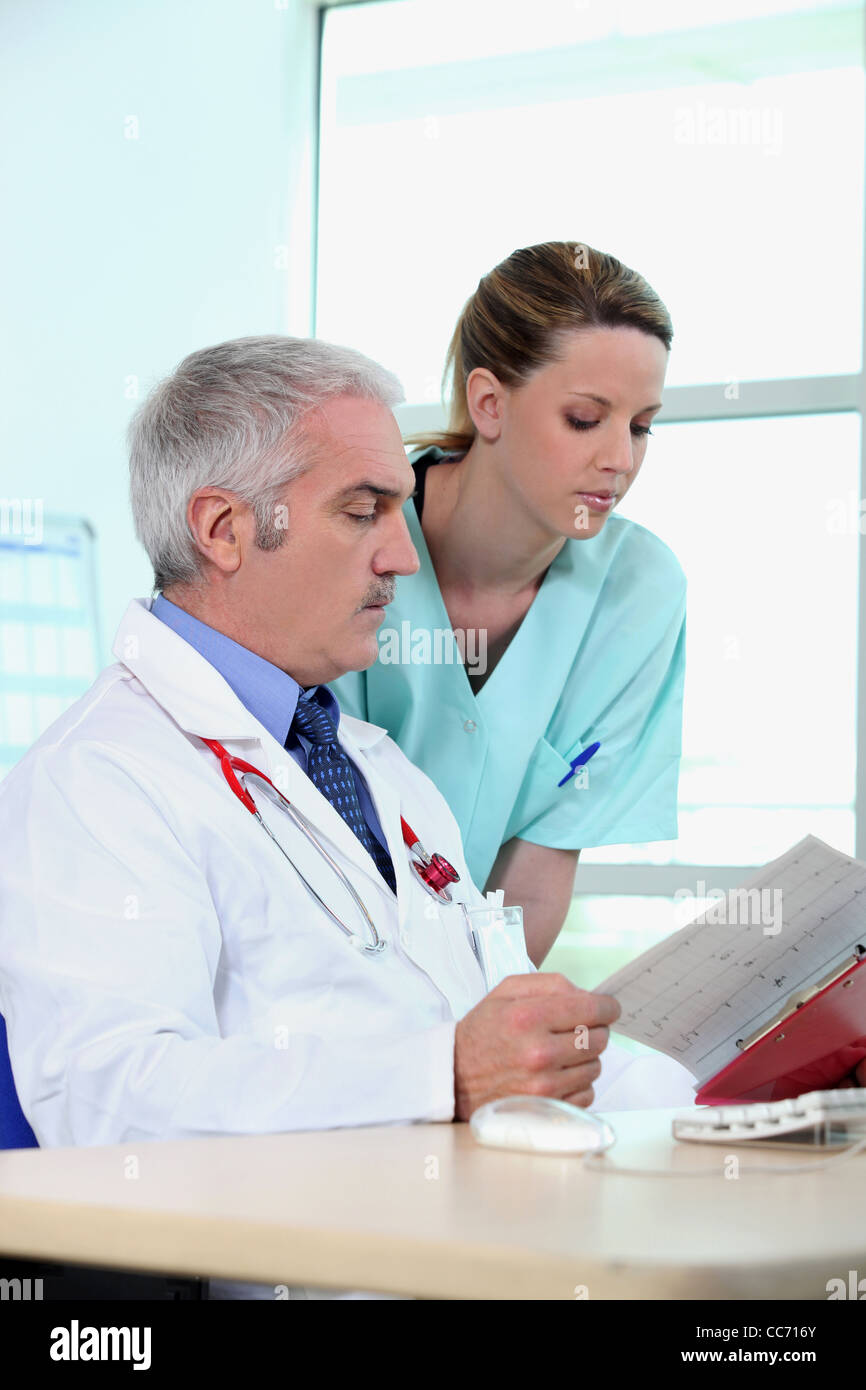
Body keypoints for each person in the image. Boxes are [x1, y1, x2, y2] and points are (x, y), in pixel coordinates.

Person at [2, 335, 686, 1302]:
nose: (403, 556)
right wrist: (437, 1078)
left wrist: (741, 1108)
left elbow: (512, 1053)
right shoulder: (98, 783)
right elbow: (110, 1110)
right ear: (224, 529)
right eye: (363, 511)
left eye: (400, 513)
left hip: (492, 1252)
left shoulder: (377, 767)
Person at [332, 241, 687, 968]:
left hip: (468, 992)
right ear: (488, 403)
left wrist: (488, 1036)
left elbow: (539, 869)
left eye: (642, 425)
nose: (620, 458)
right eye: (587, 420)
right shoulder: (349, 541)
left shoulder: (639, 592)